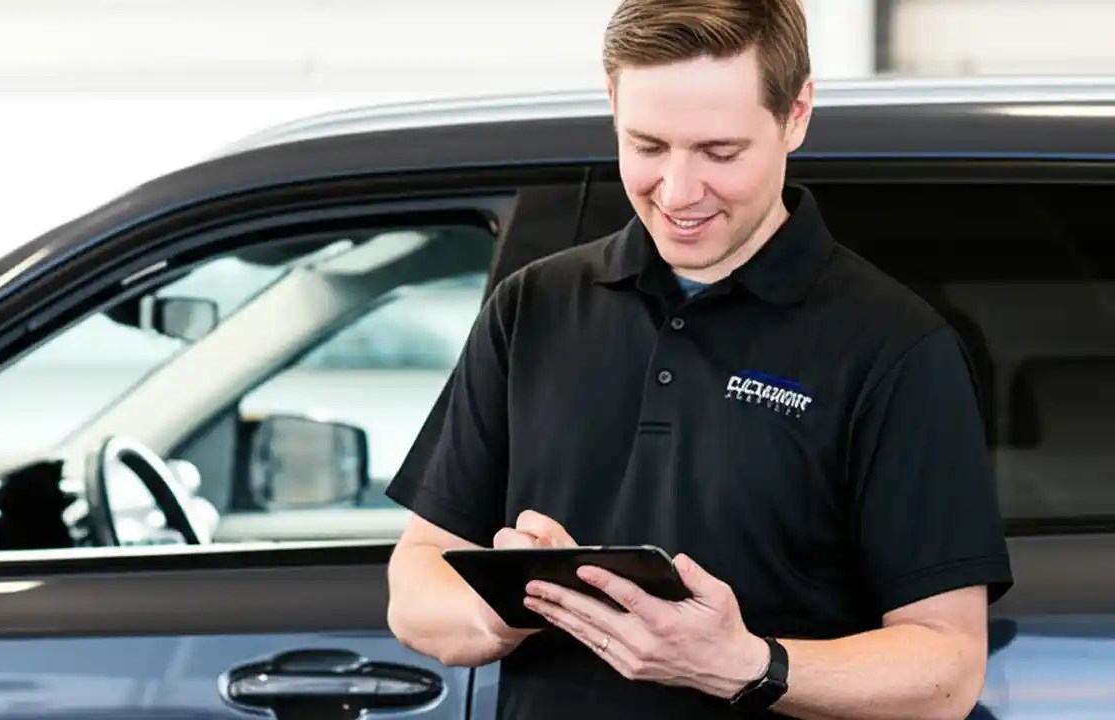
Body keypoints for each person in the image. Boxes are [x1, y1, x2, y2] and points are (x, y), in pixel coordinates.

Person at [383, 0, 1014, 717]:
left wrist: (743, 665)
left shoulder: (895, 346)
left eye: (720, 152)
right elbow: (416, 586)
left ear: (796, 114)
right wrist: (520, 602)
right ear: (613, 102)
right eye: (648, 146)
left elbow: (947, 669)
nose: (679, 193)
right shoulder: (533, 308)